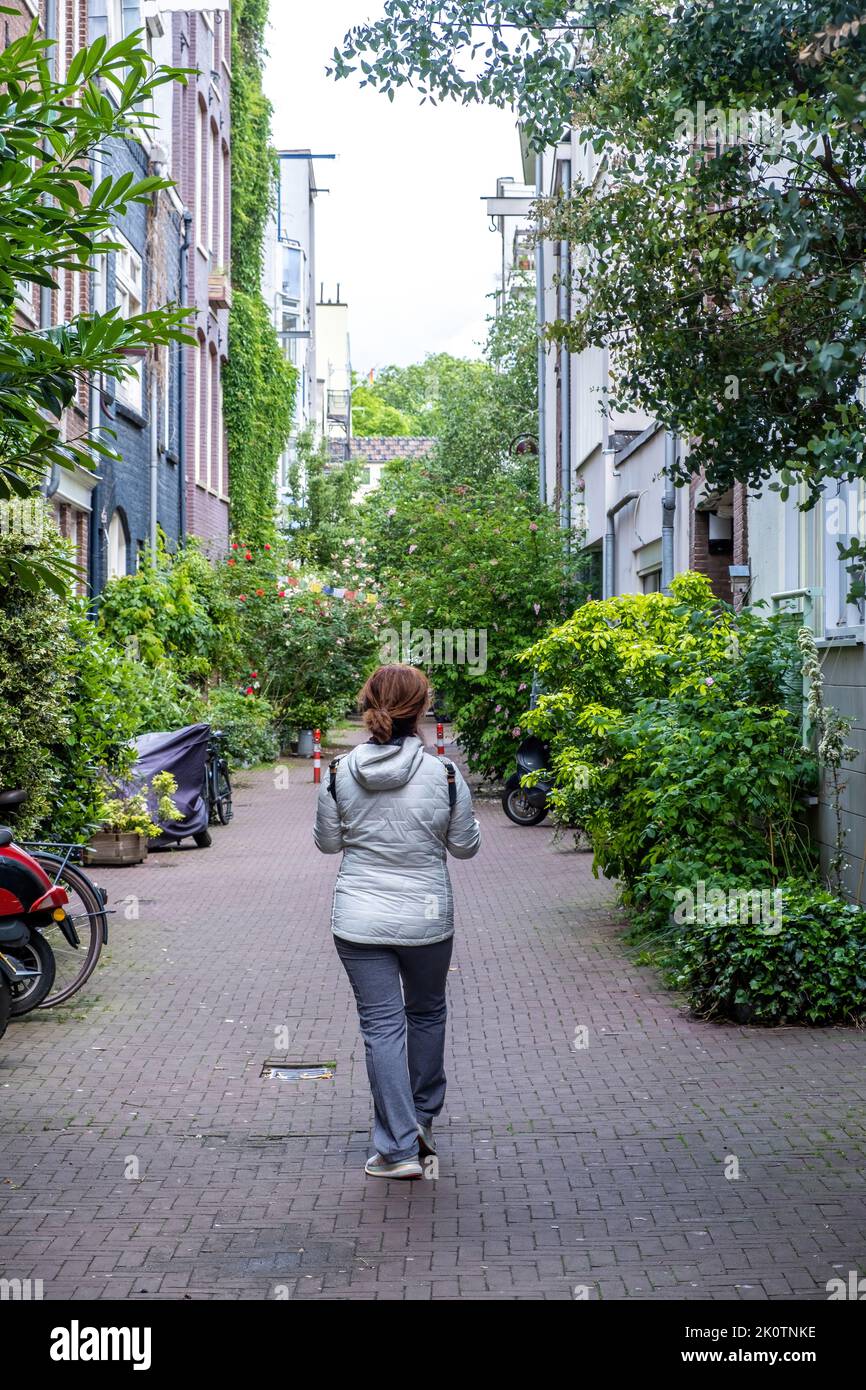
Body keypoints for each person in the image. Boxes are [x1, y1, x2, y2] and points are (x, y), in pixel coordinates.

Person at [314, 663, 481, 1179]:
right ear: (423, 709)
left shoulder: (340, 773)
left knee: (381, 1028)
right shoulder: (445, 774)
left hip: (360, 920)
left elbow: (328, 844)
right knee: (427, 1013)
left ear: (368, 705)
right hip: (428, 918)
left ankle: (398, 1149)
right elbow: (465, 847)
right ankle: (421, 1120)